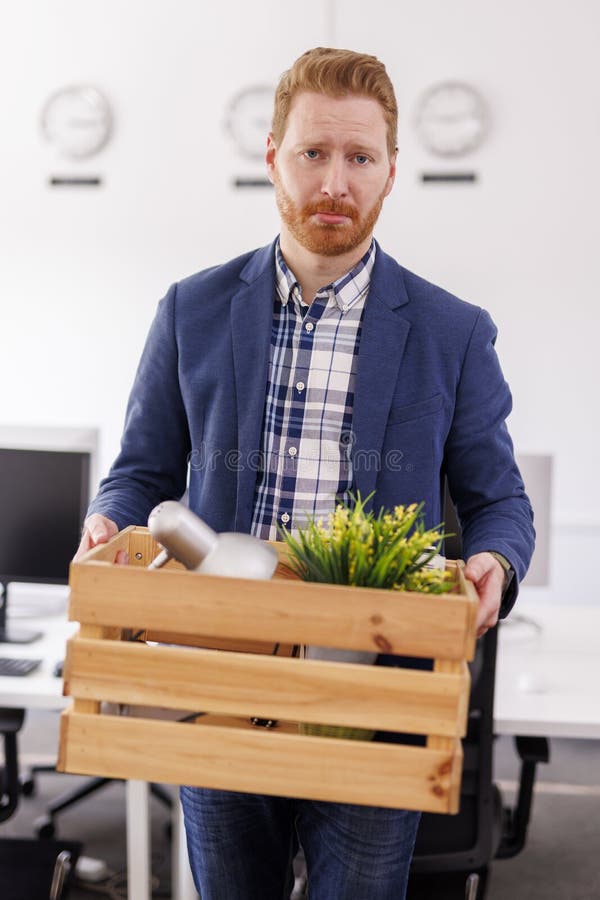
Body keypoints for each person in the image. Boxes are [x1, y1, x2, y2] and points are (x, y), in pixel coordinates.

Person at [76, 47, 534, 900]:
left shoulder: (452, 331)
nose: (335, 180)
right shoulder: (192, 310)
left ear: (391, 172)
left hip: (372, 693)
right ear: (271, 158)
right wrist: (110, 519)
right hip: (220, 677)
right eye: (313, 153)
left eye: (360, 158)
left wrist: (495, 561)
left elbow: (499, 500)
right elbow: (139, 473)